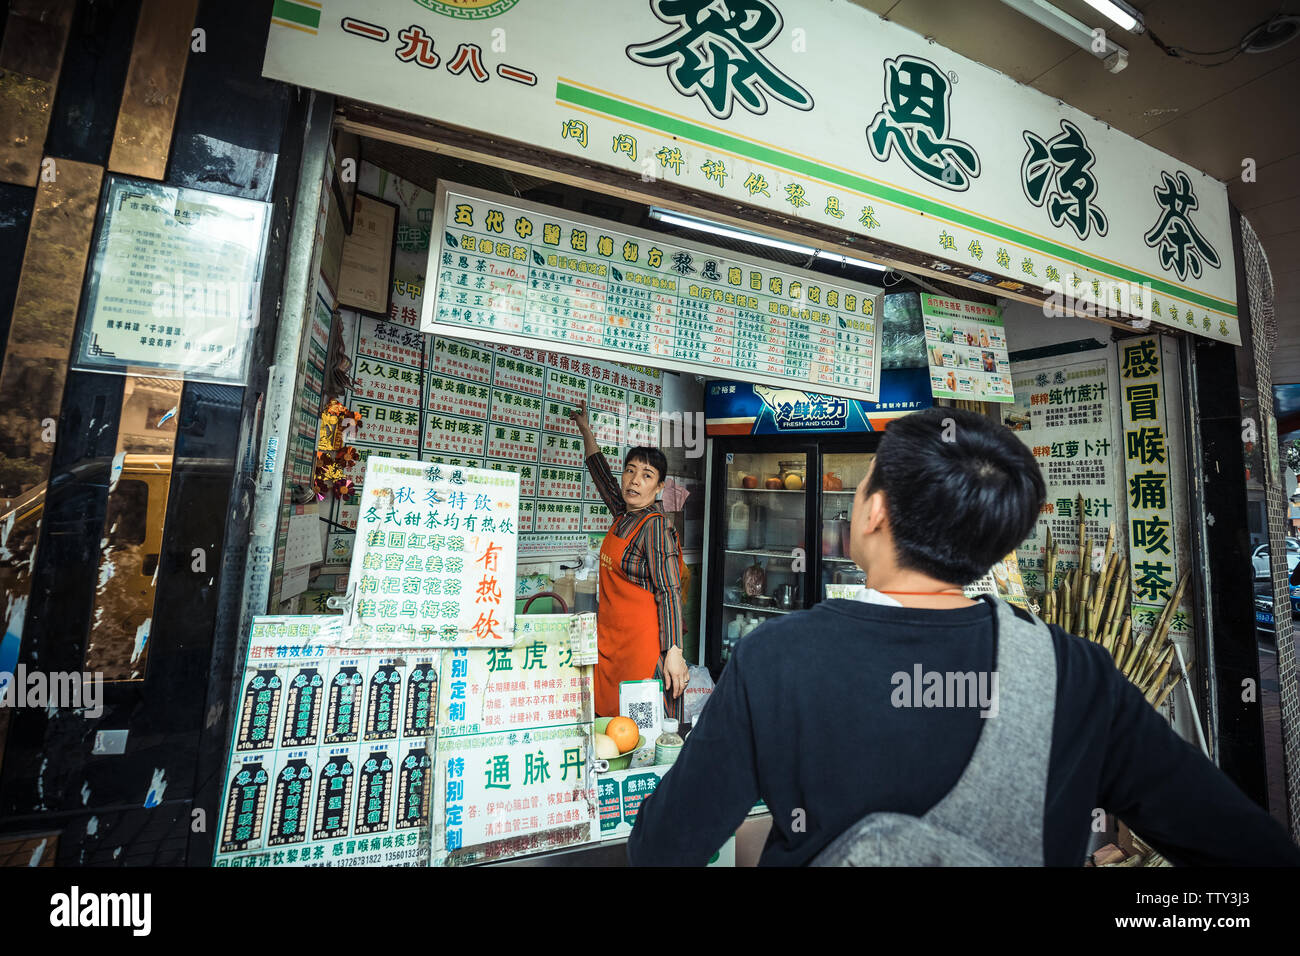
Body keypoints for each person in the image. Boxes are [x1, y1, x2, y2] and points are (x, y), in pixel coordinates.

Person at [627, 407, 1300, 866]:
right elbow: (1248, 850)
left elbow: (663, 849)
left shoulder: (774, 657)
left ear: (876, 511)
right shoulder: (1075, 673)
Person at [568, 399, 687, 722]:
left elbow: (669, 591)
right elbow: (602, 476)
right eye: (630, 471)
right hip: (613, 642)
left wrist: (674, 651)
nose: (634, 480)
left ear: (660, 486)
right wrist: (586, 432)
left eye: (646, 475)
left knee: (642, 731)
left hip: (642, 648)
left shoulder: (655, 527)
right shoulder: (624, 514)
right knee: (611, 728)